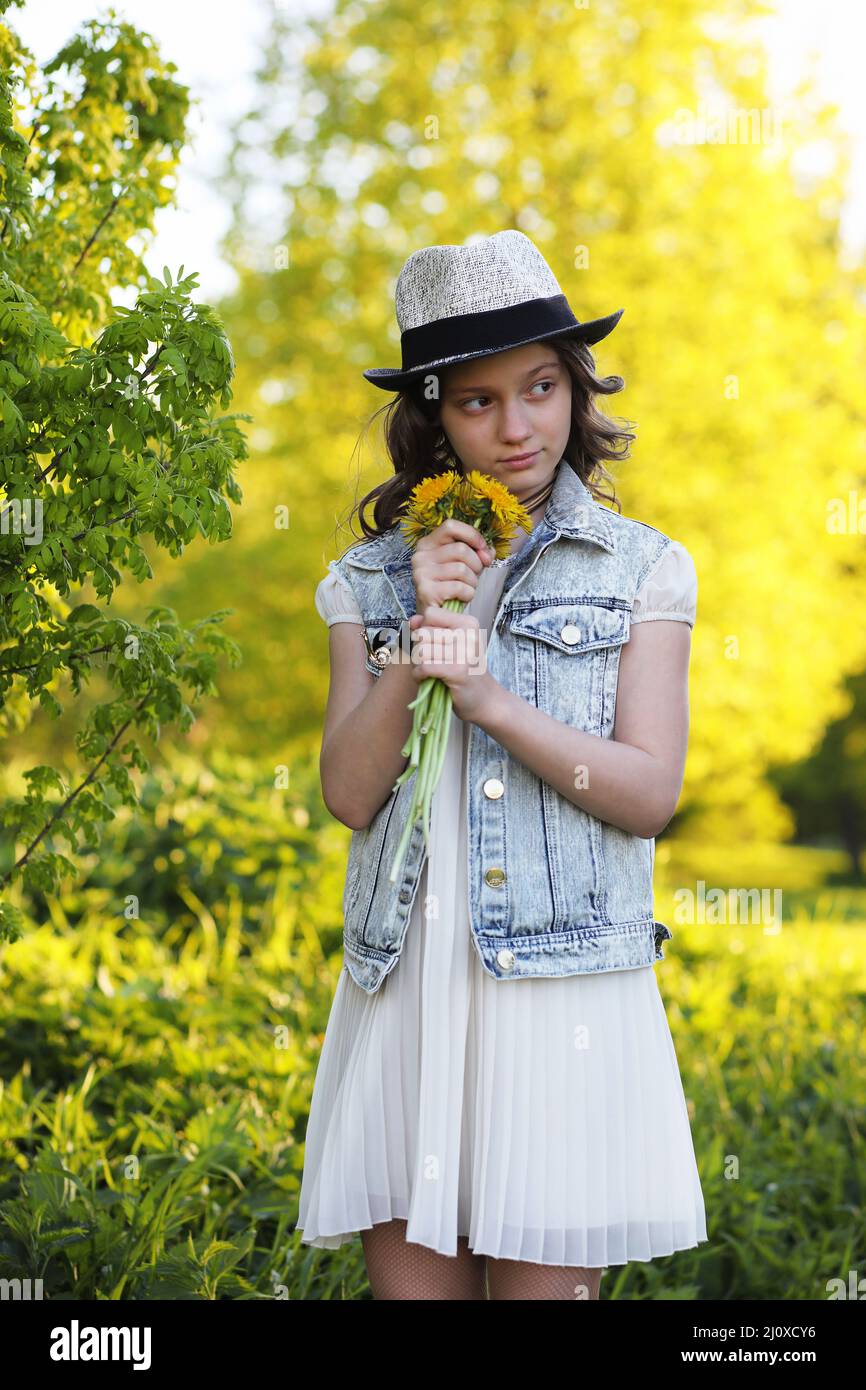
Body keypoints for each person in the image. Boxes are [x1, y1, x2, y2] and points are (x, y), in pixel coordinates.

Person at [296, 230, 708, 1299]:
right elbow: (349, 793)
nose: (515, 426)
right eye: (477, 401)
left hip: (561, 1001)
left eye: (538, 388)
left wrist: (485, 699)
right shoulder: (366, 579)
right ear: (433, 413)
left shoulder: (640, 569)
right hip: (408, 1000)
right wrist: (417, 633)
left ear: (574, 388)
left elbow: (645, 793)